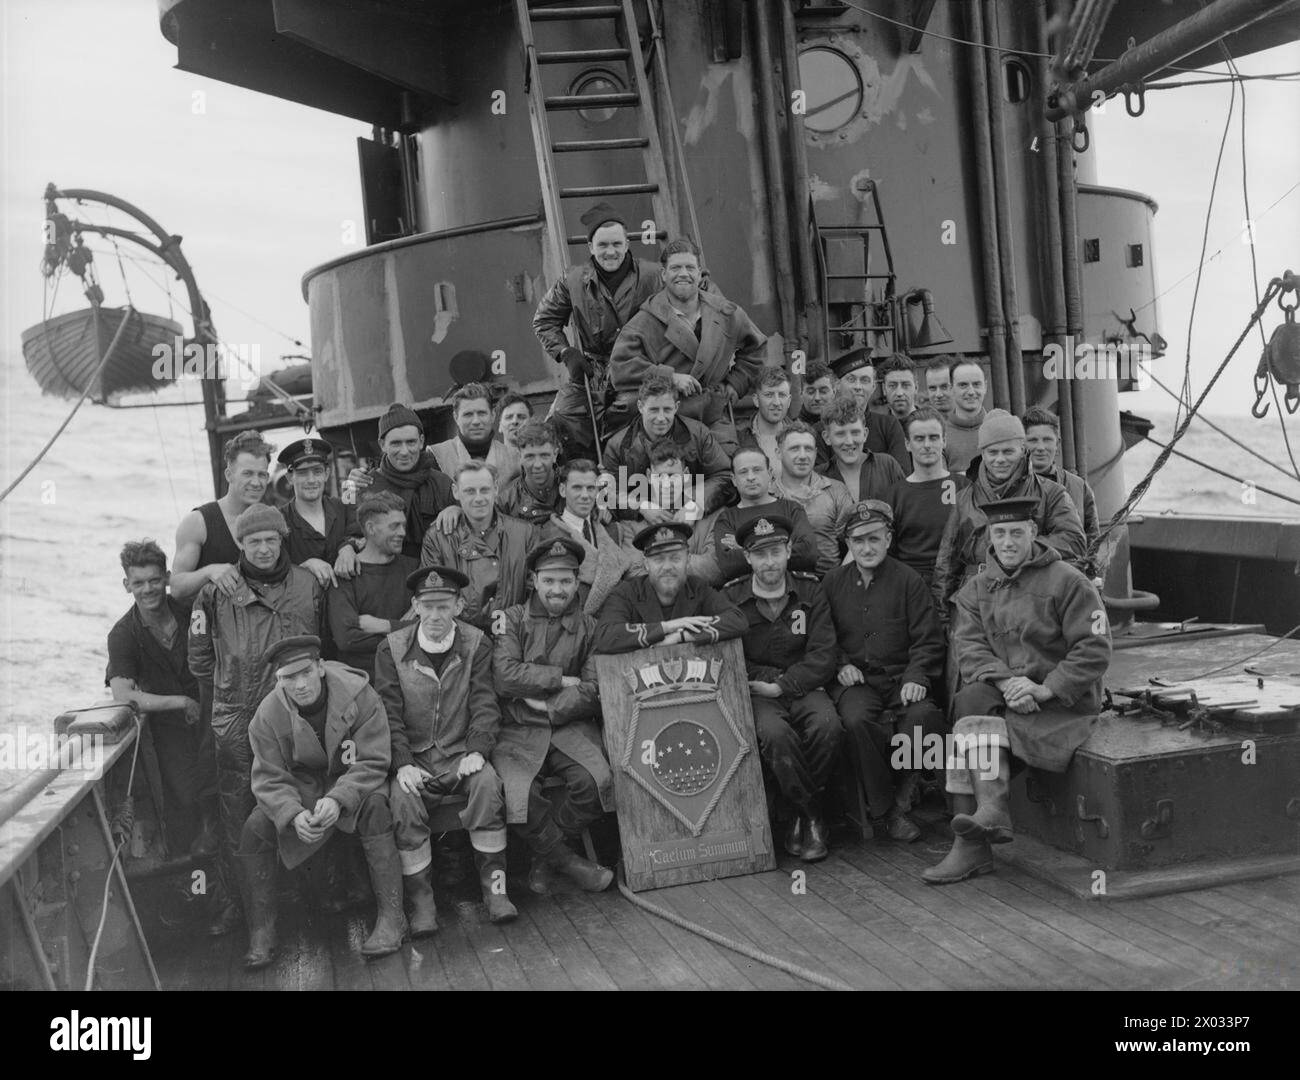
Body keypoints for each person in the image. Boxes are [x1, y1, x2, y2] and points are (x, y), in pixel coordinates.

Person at [923, 498, 1111, 885]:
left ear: (1032, 533)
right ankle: (989, 815)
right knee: (969, 701)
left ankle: (975, 843)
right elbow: (969, 649)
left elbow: (1094, 648)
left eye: (1016, 533)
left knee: (966, 733)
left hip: (1060, 705)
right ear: (989, 537)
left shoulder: (1068, 580)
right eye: (999, 533)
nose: (1007, 542)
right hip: (1009, 696)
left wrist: (1045, 689)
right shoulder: (976, 589)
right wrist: (1009, 684)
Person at [188, 504, 323, 934]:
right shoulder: (215, 592)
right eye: (253, 542)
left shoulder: (308, 584)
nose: (263, 549)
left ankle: (308, 893)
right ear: (240, 545)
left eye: (270, 540)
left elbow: (328, 647)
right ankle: (242, 909)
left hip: (298, 715)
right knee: (238, 814)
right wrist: (236, 691)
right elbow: (199, 661)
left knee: (304, 798)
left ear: (282, 540)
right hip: (238, 719)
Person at [238, 635, 403, 967]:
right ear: (277, 681)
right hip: (304, 790)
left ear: (321, 668)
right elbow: (269, 776)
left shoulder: (359, 694)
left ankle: (392, 919)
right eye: (289, 678)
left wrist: (339, 798)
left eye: (305, 673)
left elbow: (372, 759)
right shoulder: (268, 715)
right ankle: (261, 932)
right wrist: (292, 813)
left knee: (376, 809)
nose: (299, 685)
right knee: (255, 827)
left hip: (354, 783)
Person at [375, 565, 518, 926]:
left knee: (488, 785)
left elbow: (485, 704)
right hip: (416, 759)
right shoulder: (391, 648)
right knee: (402, 801)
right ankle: (423, 904)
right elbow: (387, 713)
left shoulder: (476, 643)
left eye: (444, 606)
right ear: (415, 606)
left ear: (458, 605)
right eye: (428, 606)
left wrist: (477, 750)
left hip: (459, 755)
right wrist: (402, 762)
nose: (436, 615)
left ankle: (495, 890)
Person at [492, 537, 617, 894]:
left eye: (565, 581)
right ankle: (567, 861)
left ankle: (545, 856)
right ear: (533, 580)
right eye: (549, 580)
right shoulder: (510, 620)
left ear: (577, 582)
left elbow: (593, 689)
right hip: (516, 729)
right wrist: (559, 679)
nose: (557, 589)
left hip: (569, 726)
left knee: (597, 782)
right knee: (519, 792)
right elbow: (504, 676)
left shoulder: (592, 627)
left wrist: (548, 706)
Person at [822, 501, 946, 842]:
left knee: (924, 719)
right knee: (857, 720)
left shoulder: (909, 581)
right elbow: (822, 636)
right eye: (858, 541)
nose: (867, 548)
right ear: (848, 544)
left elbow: (929, 638)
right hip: (857, 682)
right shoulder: (832, 583)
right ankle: (884, 809)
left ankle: (905, 793)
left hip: (901, 678)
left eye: (874, 539)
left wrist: (917, 676)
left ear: (888, 539)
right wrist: (841, 664)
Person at [722, 516, 840, 862]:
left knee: (828, 727)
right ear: (747, 557)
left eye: (776, 552)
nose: (769, 562)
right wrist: (767, 683)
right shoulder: (730, 597)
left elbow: (823, 653)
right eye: (760, 555)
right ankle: (813, 814)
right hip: (757, 691)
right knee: (775, 736)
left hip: (803, 685)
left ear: (789, 551)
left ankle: (798, 813)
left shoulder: (810, 590)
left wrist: (783, 685)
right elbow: (731, 656)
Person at [106, 539, 217, 857]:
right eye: (138, 583)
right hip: (168, 733)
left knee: (222, 797)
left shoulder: (191, 612)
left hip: (214, 720)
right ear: (127, 585)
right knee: (184, 801)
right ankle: (191, 875)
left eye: (155, 580)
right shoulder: (123, 634)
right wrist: (179, 701)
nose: (148, 589)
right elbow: (124, 696)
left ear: (168, 577)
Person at [609, 237, 767, 455]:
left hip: (712, 413)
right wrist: (670, 378)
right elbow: (620, 367)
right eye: (675, 268)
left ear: (699, 273)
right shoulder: (645, 321)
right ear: (664, 275)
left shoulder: (725, 312)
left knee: (730, 468)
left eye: (689, 267)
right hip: (667, 418)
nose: (683, 273)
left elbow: (756, 348)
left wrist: (735, 384)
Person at [533, 203, 663, 459]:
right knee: (562, 415)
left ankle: (627, 478)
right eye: (603, 245)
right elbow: (544, 320)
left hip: (639, 370)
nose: (610, 251)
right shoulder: (572, 280)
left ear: (627, 244)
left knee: (630, 412)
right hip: (591, 373)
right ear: (591, 247)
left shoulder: (654, 275)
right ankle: (583, 478)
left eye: (616, 244)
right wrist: (566, 352)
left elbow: (693, 293)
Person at [932, 410, 1085, 612]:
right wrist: (942, 617)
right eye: (992, 452)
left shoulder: (1052, 493)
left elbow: (1074, 540)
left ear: (1023, 449)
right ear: (982, 454)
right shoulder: (963, 500)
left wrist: (1020, 548)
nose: (1000, 459)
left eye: (1008, 451)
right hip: (976, 603)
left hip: (1034, 600)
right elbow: (946, 564)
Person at [593, 522, 747, 653]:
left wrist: (682, 636)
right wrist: (666, 628)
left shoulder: (698, 588)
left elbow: (737, 620)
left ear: (688, 560)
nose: (667, 566)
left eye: (675, 558)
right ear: (646, 564)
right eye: (658, 559)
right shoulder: (626, 593)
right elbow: (606, 636)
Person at [420, 460, 536, 630]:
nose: (478, 498)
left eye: (485, 490)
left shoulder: (525, 533)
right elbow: (434, 596)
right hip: (461, 639)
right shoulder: (438, 537)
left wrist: (513, 629)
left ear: (495, 489)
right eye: (469, 491)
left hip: (514, 635)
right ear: (455, 492)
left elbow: (535, 591)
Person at [601, 374, 733, 518]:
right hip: (640, 525)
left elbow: (724, 475)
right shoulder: (617, 445)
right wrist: (641, 506)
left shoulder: (698, 434)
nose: (661, 418)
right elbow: (609, 491)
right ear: (640, 406)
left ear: (676, 407)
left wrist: (695, 505)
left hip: (692, 518)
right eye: (653, 410)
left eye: (667, 410)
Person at [341, 402, 455, 563]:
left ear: (421, 441)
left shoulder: (442, 482)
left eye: (411, 442)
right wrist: (346, 548)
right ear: (382, 445)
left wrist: (457, 510)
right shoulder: (358, 484)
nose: (404, 451)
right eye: (396, 443)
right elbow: (346, 533)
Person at [170, 430, 275, 601]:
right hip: (211, 624)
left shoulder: (274, 521)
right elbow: (176, 587)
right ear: (229, 475)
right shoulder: (198, 523)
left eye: (262, 475)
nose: (256, 482)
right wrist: (209, 572)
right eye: (247, 474)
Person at [325, 491, 418, 679]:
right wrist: (404, 630)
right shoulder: (345, 574)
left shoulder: (414, 569)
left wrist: (384, 626)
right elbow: (347, 640)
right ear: (370, 528)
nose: (402, 533)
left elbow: (428, 628)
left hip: (408, 680)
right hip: (361, 683)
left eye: (403, 526)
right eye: (394, 526)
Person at [696, 445, 819, 584]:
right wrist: (782, 547)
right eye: (743, 472)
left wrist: (745, 549)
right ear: (734, 479)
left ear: (770, 473)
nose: (750, 477)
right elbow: (729, 565)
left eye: (757, 470)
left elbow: (808, 554)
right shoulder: (726, 518)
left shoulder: (792, 509)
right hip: (745, 597)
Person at [888, 408, 970, 586]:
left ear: (944, 441)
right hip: (912, 587)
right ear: (908, 444)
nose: (927, 444)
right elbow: (890, 553)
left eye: (933, 437)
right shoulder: (894, 495)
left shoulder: (964, 487)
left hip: (959, 584)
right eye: (919, 438)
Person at [541, 458, 633, 614]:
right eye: (577, 488)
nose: (585, 495)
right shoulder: (547, 534)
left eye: (590, 488)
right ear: (563, 490)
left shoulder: (613, 531)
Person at [1022, 406, 1100, 579]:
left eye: (1047, 440)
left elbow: (1093, 539)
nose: (1041, 447)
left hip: (1070, 582)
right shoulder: (1013, 487)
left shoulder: (1079, 487)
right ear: (1022, 444)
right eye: (1033, 440)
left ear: (1057, 444)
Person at [771, 422, 855, 575]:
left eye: (808, 449)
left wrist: (840, 580)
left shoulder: (835, 490)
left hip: (828, 581)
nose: (803, 456)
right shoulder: (767, 494)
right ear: (778, 452)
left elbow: (856, 539)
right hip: (781, 584)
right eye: (794, 449)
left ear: (816, 453)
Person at [278, 437, 354, 588]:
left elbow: (361, 536)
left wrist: (349, 546)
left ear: (326, 474)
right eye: (302, 473)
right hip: (303, 607)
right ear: (289, 478)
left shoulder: (343, 507)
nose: (311, 480)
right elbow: (271, 570)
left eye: (317, 471)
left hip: (348, 604)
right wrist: (304, 567)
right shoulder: (279, 521)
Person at [826, 349, 910, 471]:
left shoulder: (888, 427)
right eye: (851, 380)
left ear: (874, 386)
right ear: (837, 385)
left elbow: (901, 474)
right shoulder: (823, 429)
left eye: (865, 380)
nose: (858, 387)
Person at [819, 396, 907, 503]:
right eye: (840, 434)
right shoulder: (819, 478)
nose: (849, 442)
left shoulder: (887, 466)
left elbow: (907, 510)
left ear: (865, 434)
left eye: (855, 433)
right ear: (827, 438)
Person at [430, 382, 521, 485]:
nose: (476, 421)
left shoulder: (514, 459)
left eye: (482, 413)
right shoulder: (437, 456)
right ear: (456, 417)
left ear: (493, 415)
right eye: (468, 414)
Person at [496, 420, 564, 525]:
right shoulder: (505, 503)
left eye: (544, 455)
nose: (537, 465)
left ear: (555, 454)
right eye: (530, 457)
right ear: (519, 457)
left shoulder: (575, 484)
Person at [736, 366, 792, 475]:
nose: (776, 402)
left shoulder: (802, 436)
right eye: (769, 395)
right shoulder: (738, 438)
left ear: (789, 401)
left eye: (782, 395)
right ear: (756, 400)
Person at [943, 359, 988, 475]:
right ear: (951, 389)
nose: (971, 392)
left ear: (985, 387)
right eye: (963, 385)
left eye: (977, 384)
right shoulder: (940, 434)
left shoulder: (1000, 428)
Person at [878, 353, 920, 426]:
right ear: (884, 389)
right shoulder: (877, 429)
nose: (899, 393)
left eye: (906, 385)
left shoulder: (934, 426)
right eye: (892, 386)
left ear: (916, 387)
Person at [797, 359, 835, 427]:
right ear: (801, 394)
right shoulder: (792, 433)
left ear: (834, 393)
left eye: (823, 392)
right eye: (811, 392)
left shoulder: (846, 427)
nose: (817, 398)